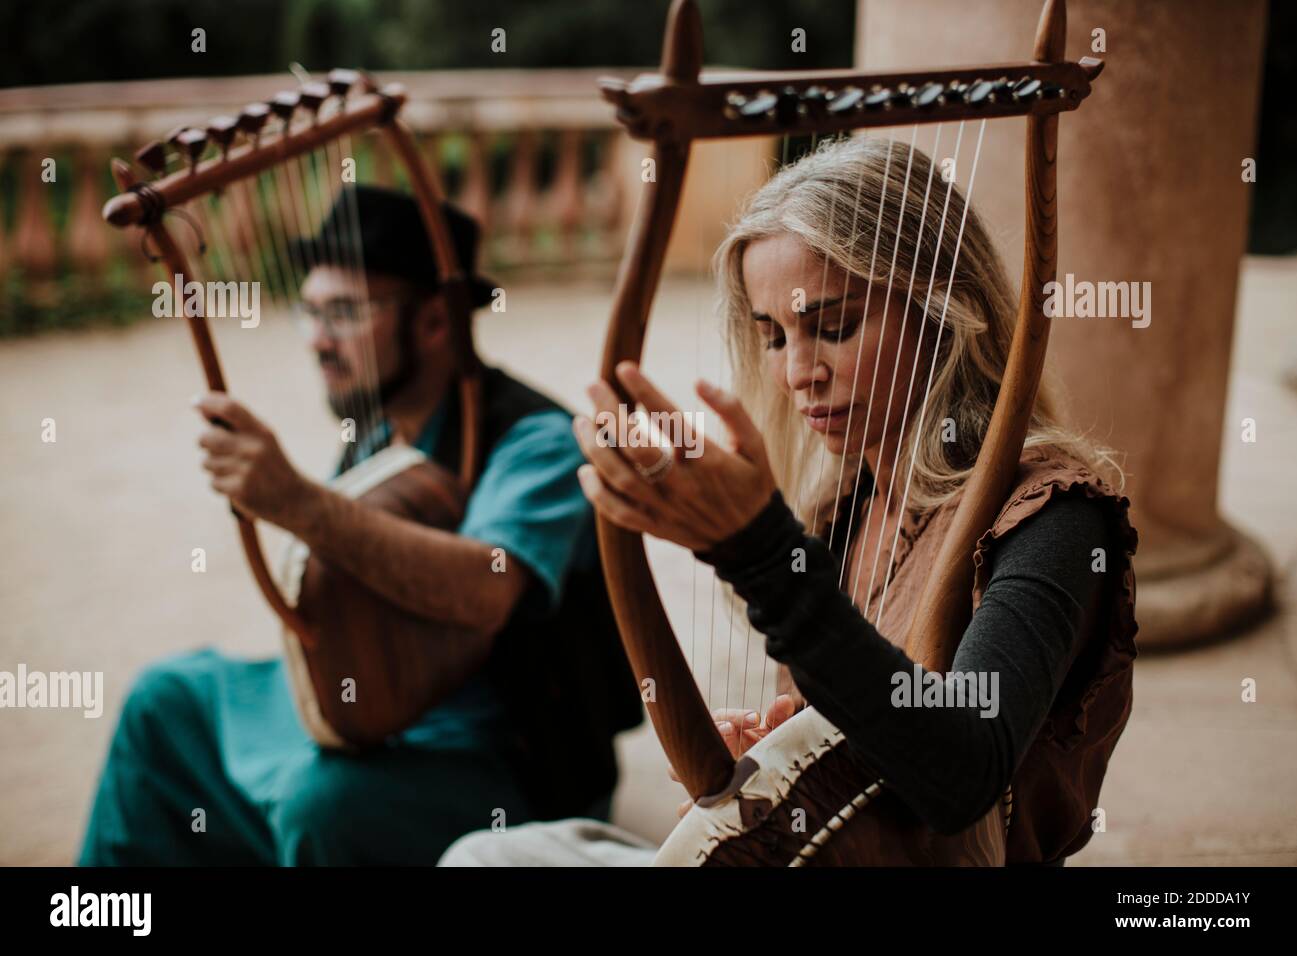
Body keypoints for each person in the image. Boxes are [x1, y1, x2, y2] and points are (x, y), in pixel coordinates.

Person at [441, 136, 1137, 867]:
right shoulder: (847, 509)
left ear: (944, 309)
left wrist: (760, 553)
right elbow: (867, 737)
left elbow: (965, 773)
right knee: (491, 855)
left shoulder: (1055, 517)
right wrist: (781, 757)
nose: (800, 371)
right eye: (773, 337)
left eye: (834, 327)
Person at [79, 185, 641, 866]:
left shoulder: (540, 440)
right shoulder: (376, 434)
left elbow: (487, 589)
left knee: (322, 804)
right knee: (165, 701)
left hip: (509, 761)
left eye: (344, 312)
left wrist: (299, 502)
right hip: (381, 708)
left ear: (434, 321)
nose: (318, 341)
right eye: (310, 312)